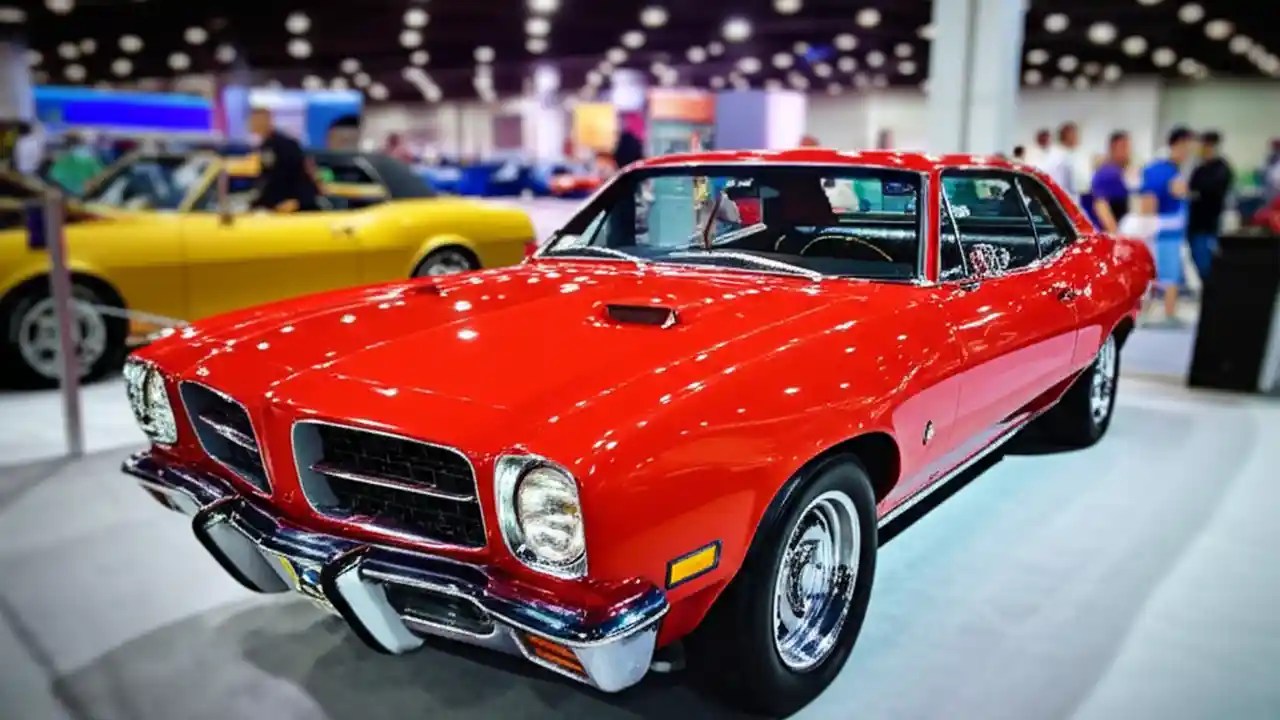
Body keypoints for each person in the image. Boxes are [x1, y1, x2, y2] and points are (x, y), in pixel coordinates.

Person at [1141, 127, 1195, 325]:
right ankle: (1164, 315)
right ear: (1178, 145)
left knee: (1169, 274)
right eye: (1187, 148)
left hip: (1172, 232)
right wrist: (1149, 229)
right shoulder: (1159, 170)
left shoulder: (1174, 169)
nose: (1188, 153)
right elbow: (1148, 203)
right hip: (1163, 233)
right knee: (1164, 275)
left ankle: (1164, 314)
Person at [247, 107, 320, 212]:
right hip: (286, 202)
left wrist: (296, 200)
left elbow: (285, 176)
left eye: (255, 120)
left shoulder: (281, 145)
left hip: (293, 205)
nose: (252, 124)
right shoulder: (268, 145)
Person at [1186, 130, 1233, 284]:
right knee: (1195, 260)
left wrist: (1195, 192)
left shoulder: (1222, 169)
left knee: (1206, 264)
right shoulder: (1199, 168)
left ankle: (1211, 293)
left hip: (1207, 225)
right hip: (1193, 223)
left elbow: (1210, 189)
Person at [1088, 131, 1132, 233]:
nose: (1127, 151)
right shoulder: (1107, 173)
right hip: (1108, 232)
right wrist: (1115, 234)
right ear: (1113, 148)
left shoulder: (1120, 171)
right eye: (1124, 147)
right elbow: (1101, 206)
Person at [1040, 122, 1089, 198]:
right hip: (1062, 200)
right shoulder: (1062, 157)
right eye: (1074, 135)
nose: (1077, 138)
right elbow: (1078, 185)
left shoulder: (1059, 154)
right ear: (1068, 136)